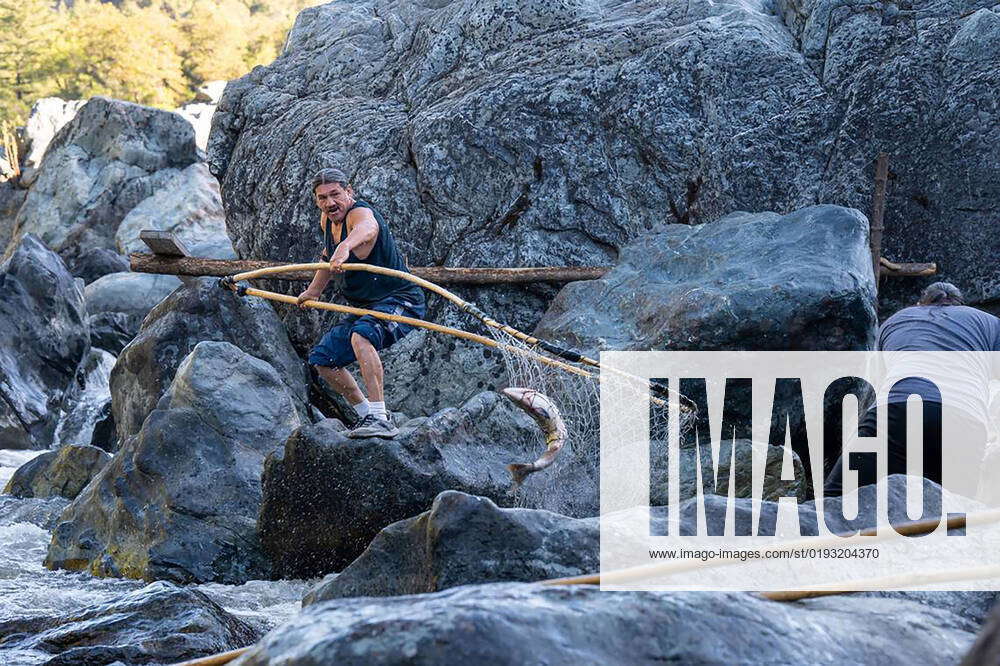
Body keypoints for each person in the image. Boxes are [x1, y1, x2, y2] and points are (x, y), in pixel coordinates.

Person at [824, 282, 1000, 497]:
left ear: (921, 302)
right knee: (956, 513)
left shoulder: (895, 320)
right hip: (964, 418)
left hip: (897, 410)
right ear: (959, 304)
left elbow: (876, 382)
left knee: (837, 495)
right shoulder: (989, 322)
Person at [297, 168, 425, 438]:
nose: (330, 203)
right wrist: (313, 291)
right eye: (322, 198)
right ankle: (367, 414)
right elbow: (326, 258)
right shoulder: (327, 222)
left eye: (335, 195)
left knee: (361, 336)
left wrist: (346, 246)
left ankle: (380, 419)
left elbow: (368, 228)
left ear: (349, 192)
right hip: (363, 307)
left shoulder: (359, 213)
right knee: (323, 360)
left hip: (400, 299)